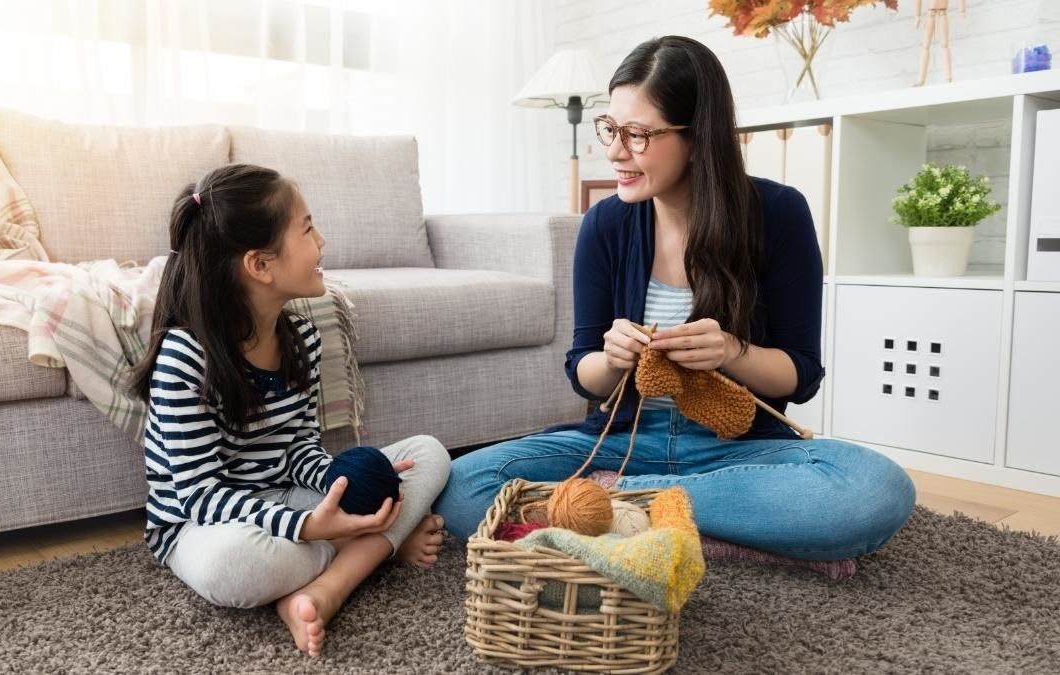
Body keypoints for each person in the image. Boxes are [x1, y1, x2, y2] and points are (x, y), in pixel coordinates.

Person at [435, 36, 915, 568]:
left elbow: (800, 376)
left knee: (875, 489)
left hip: (734, 452)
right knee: (462, 487)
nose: (615, 151)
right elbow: (582, 373)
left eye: (638, 134)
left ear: (698, 137)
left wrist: (732, 351)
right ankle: (696, 529)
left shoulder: (778, 214)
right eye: (610, 129)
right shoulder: (605, 225)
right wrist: (612, 357)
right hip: (621, 444)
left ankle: (618, 511)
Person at [129, 164, 450, 657]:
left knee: (427, 454)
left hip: (288, 495)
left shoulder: (300, 337)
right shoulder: (184, 357)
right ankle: (372, 550)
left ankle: (326, 586)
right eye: (307, 229)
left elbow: (300, 448)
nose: (321, 241)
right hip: (202, 526)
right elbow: (198, 496)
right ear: (260, 265)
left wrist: (338, 483)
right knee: (234, 568)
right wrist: (308, 527)